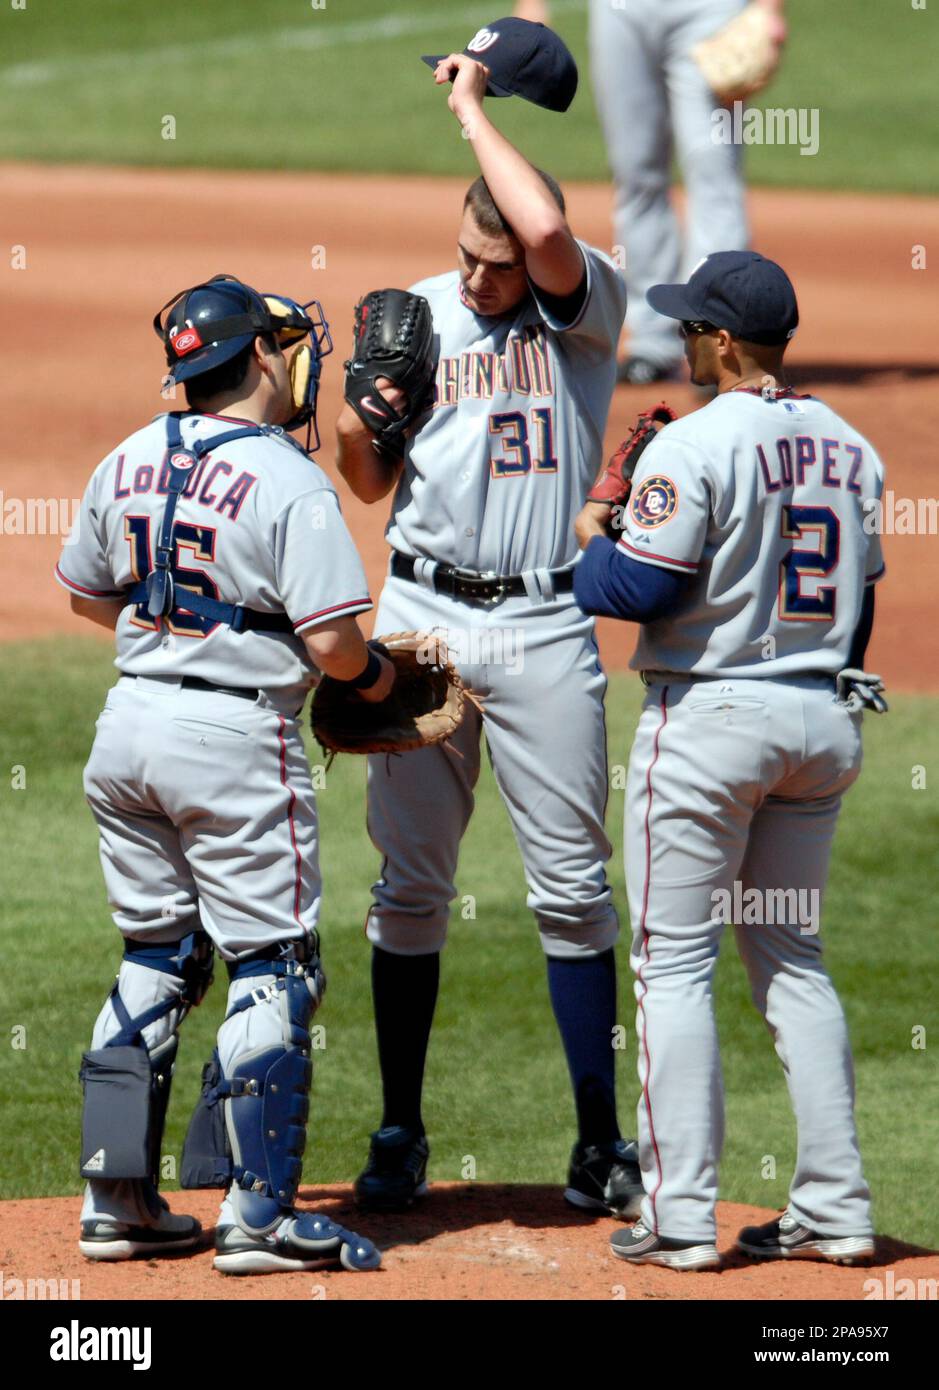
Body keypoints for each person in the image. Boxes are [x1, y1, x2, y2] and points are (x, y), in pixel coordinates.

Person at [336, 49, 641, 1218]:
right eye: (469, 256)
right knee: (411, 887)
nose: (481, 277)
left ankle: (598, 1143)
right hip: (422, 619)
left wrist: (471, 106)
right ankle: (401, 1130)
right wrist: (363, 424)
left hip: (546, 619)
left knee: (573, 892)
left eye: (497, 262)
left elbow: (549, 234)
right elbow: (367, 485)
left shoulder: (584, 307)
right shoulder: (414, 314)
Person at [57, 274, 391, 1275]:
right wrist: (372, 682)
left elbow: (87, 599)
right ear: (254, 359)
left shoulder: (125, 456)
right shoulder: (289, 480)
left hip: (128, 732)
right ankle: (259, 1216)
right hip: (234, 743)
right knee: (273, 963)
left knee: (158, 956)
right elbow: (333, 642)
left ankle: (116, 1201)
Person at [573, 250, 885, 1270]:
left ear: (720, 341)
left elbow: (635, 592)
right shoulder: (853, 446)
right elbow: (864, 596)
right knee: (792, 959)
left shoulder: (698, 444)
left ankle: (678, 1217)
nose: (679, 341)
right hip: (822, 721)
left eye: (689, 328)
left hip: (712, 723)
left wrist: (596, 532)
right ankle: (836, 1208)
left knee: (674, 963)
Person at [515, 0, 786, 384]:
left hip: (711, 12)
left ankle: (722, 338)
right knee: (636, 171)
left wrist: (769, 8)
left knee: (714, 170)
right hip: (622, 12)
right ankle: (652, 342)